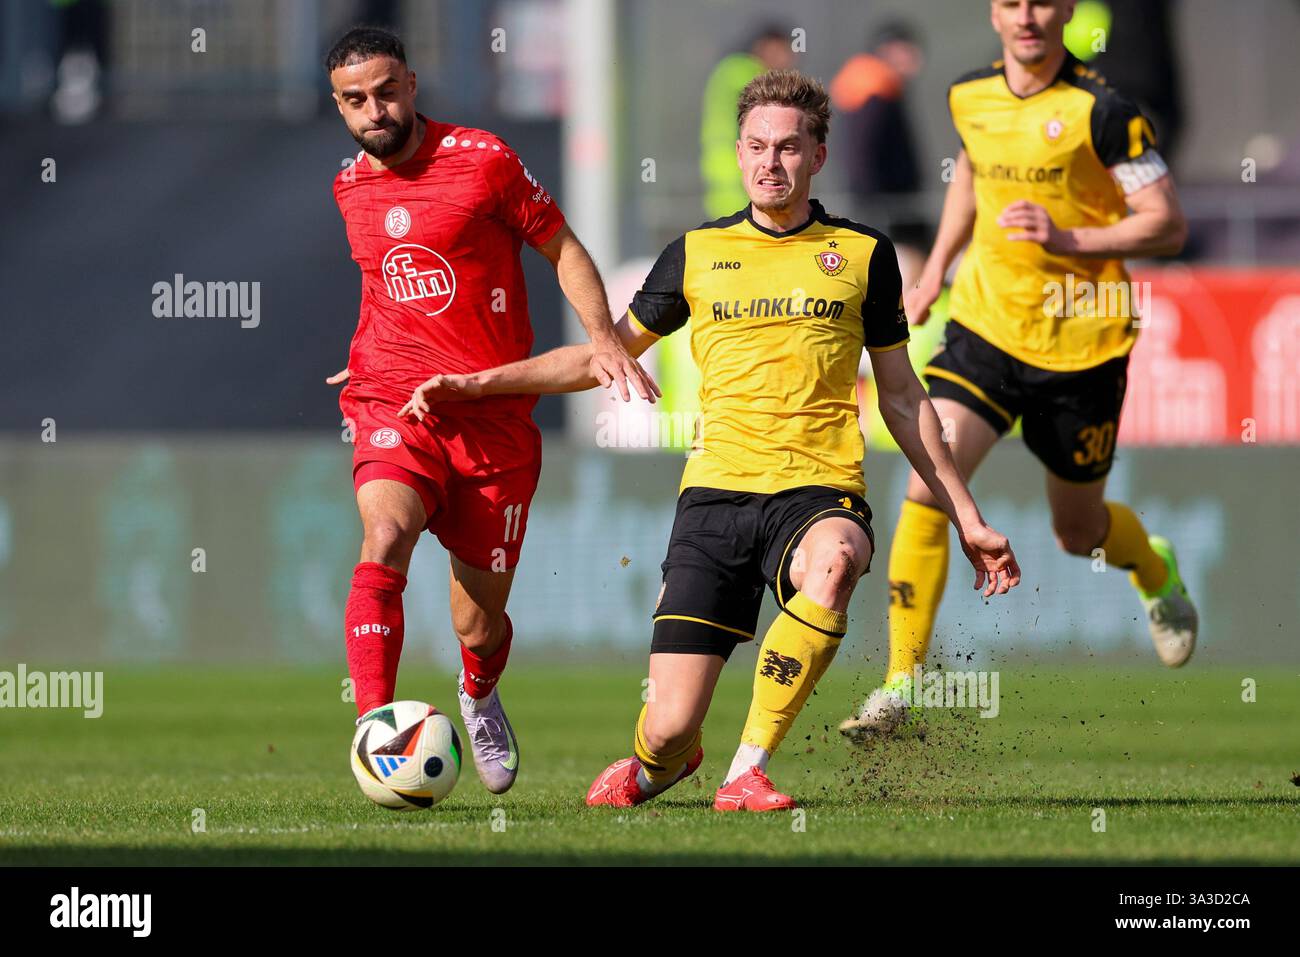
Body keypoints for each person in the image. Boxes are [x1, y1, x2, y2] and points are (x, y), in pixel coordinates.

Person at [400, 70, 1020, 811]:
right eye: (757, 146)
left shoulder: (863, 254)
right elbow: (606, 354)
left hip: (819, 491)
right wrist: (474, 383)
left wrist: (965, 512)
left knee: (835, 563)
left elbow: (901, 394)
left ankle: (745, 769)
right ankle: (666, 759)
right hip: (715, 497)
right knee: (663, 730)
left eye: (789, 147)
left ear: (818, 156)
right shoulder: (696, 252)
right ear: (737, 152)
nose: (771, 162)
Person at [841, 0, 1195, 741]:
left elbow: (1167, 221)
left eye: (1041, 2)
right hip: (986, 328)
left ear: (1065, 10)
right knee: (928, 481)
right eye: (1011, 3)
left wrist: (1068, 234)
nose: (1027, 15)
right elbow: (971, 173)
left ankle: (1152, 565)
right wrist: (936, 268)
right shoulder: (969, 95)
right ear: (994, 14)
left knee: (1078, 529)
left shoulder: (1105, 110)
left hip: (1083, 344)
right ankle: (900, 685)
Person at [323, 26, 656, 795]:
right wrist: (372, 348)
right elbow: (387, 281)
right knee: (384, 536)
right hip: (395, 403)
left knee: (478, 622)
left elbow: (564, 247)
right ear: (338, 106)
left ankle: (477, 690)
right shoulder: (350, 186)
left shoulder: (482, 162)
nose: (373, 109)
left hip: (495, 418)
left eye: (385, 90)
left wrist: (602, 336)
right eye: (354, 99)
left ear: (411, 84)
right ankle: (377, 728)